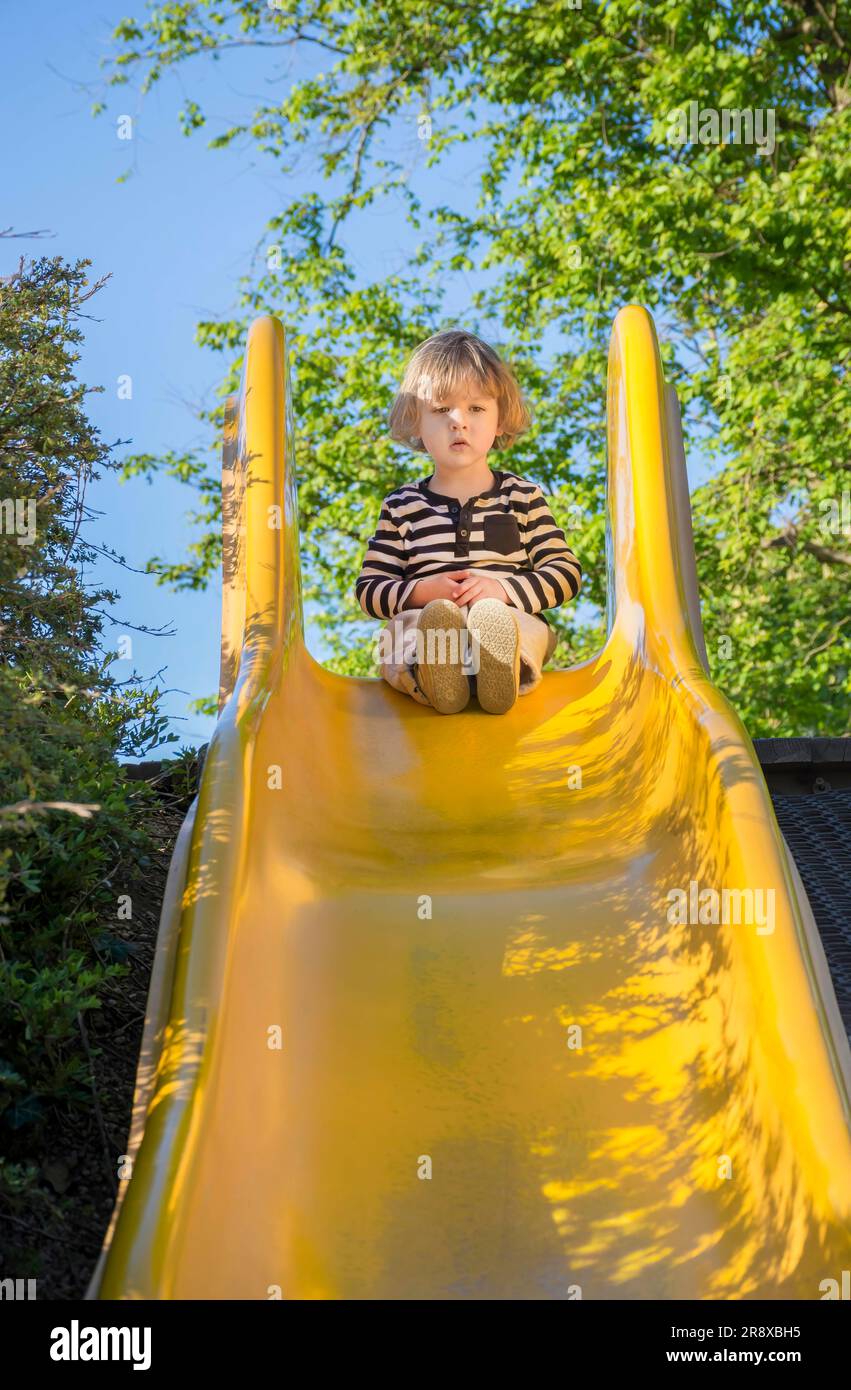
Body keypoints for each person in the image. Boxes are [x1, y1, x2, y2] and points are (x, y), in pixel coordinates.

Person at [355, 329, 582, 714]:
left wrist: (502, 591)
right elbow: (370, 589)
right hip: (425, 621)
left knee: (519, 626)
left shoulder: (521, 497)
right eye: (441, 410)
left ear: (499, 420)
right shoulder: (401, 506)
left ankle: (501, 670)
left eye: (476, 409)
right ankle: (434, 677)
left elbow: (564, 573)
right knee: (405, 632)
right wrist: (422, 593)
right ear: (416, 423)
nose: (458, 421)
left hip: (505, 618)